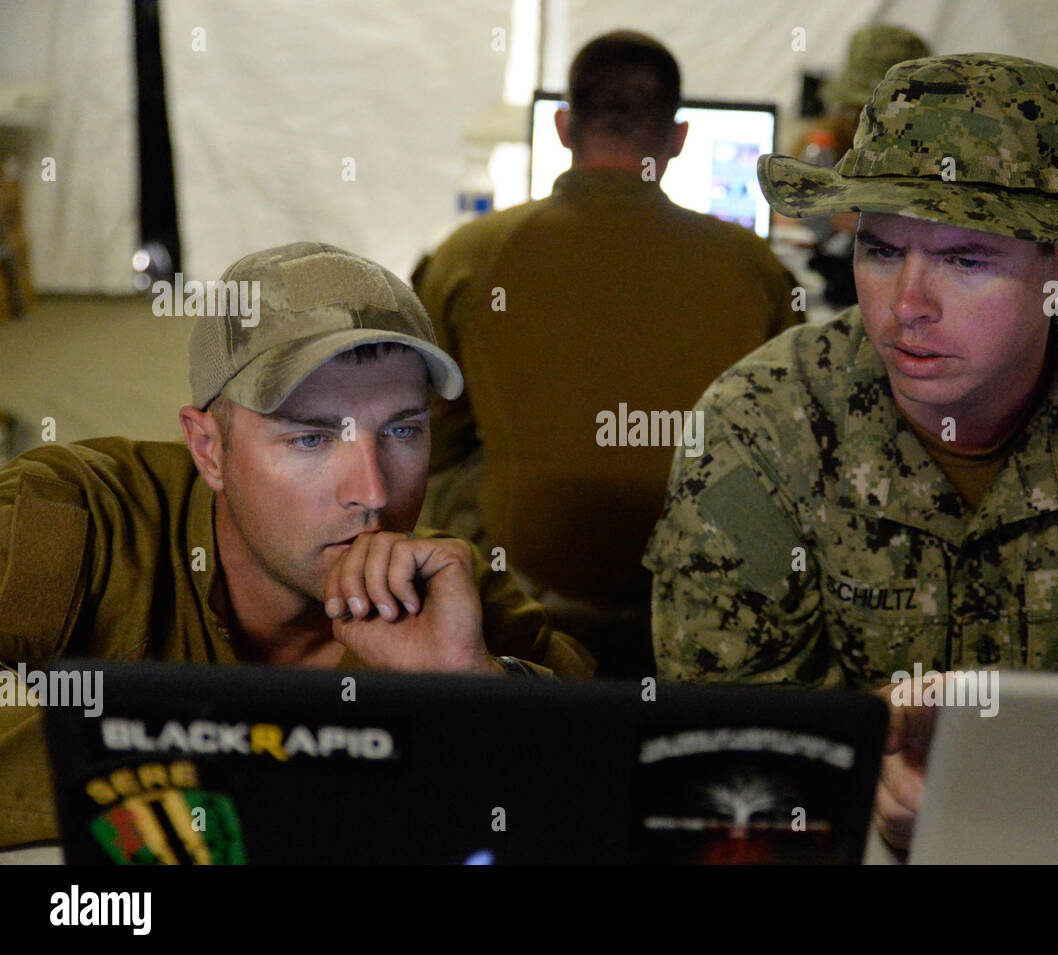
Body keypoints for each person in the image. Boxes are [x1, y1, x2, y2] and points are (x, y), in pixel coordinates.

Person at [643, 54, 1058, 853]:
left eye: (966, 259)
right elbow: (709, 729)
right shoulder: (757, 427)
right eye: (882, 250)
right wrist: (855, 755)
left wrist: (1023, 768)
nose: (909, 306)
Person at [0, 241, 594, 849]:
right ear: (209, 450)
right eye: (310, 439)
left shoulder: (453, 598)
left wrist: (468, 688)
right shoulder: (76, 518)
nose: (373, 492)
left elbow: (626, 787)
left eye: (403, 430)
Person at [411, 31, 800, 678]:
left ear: (563, 127)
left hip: (530, 581)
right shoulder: (753, 266)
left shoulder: (470, 254)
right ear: (677, 139)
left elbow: (433, 436)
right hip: (697, 585)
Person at [789, 24, 931, 308]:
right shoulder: (828, 138)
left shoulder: (936, 150)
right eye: (862, 106)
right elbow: (789, 216)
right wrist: (827, 217)